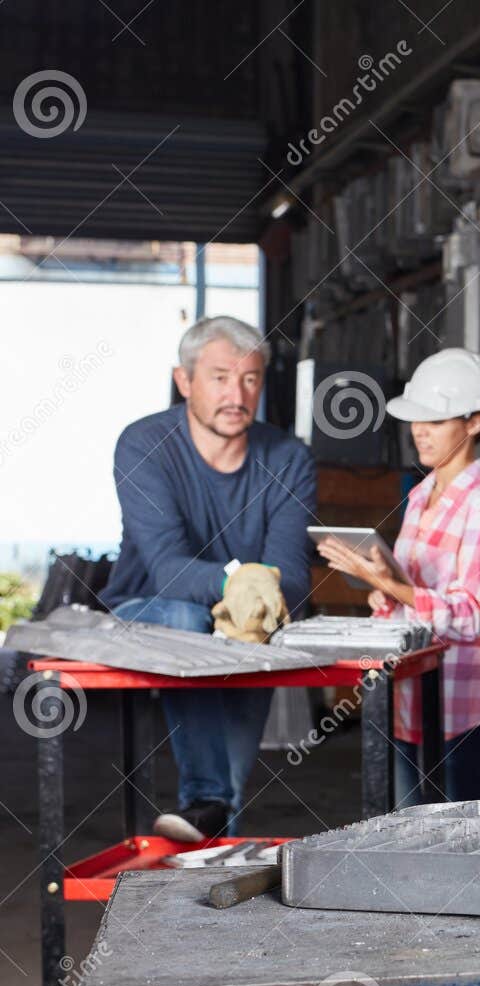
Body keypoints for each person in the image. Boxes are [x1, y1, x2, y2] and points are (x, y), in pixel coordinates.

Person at [98, 316, 315, 840]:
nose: (235, 394)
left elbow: (291, 572)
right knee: (185, 615)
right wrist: (235, 585)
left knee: (226, 808)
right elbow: (166, 568)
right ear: (184, 380)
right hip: (147, 611)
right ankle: (203, 795)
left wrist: (258, 604)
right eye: (219, 377)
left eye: (249, 379)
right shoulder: (143, 445)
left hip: (242, 628)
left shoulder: (288, 458)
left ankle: (209, 853)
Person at [318, 348, 480, 806]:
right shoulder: (420, 497)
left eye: (436, 420)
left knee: (455, 848)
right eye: (416, 419)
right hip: (408, 695)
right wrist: (384, 594)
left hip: (461, 707)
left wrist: (389, 584)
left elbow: (467, 616)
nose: (419, 431)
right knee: (405, 839)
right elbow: (419, 596)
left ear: (473, 422)